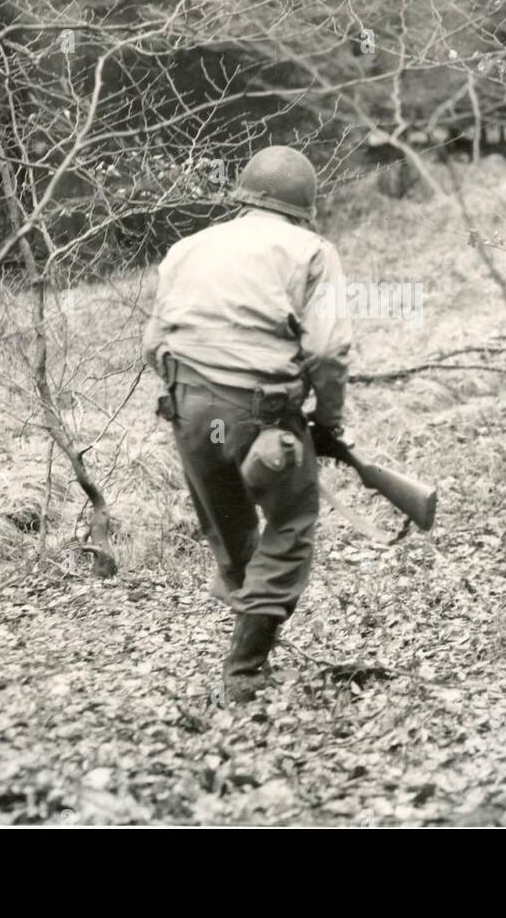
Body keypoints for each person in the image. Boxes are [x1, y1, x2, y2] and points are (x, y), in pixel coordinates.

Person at [142, 145, 352, 704]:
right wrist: (328, 423)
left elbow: (153, 342)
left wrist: (193, 396)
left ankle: (245, 615)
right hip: (263, 417)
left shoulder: (187, 248)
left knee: (232, 529)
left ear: (245, 195)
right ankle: (246, 670)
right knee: (288, 526)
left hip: (188, 411)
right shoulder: (312, 250)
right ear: (302, 205)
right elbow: (329, 351)